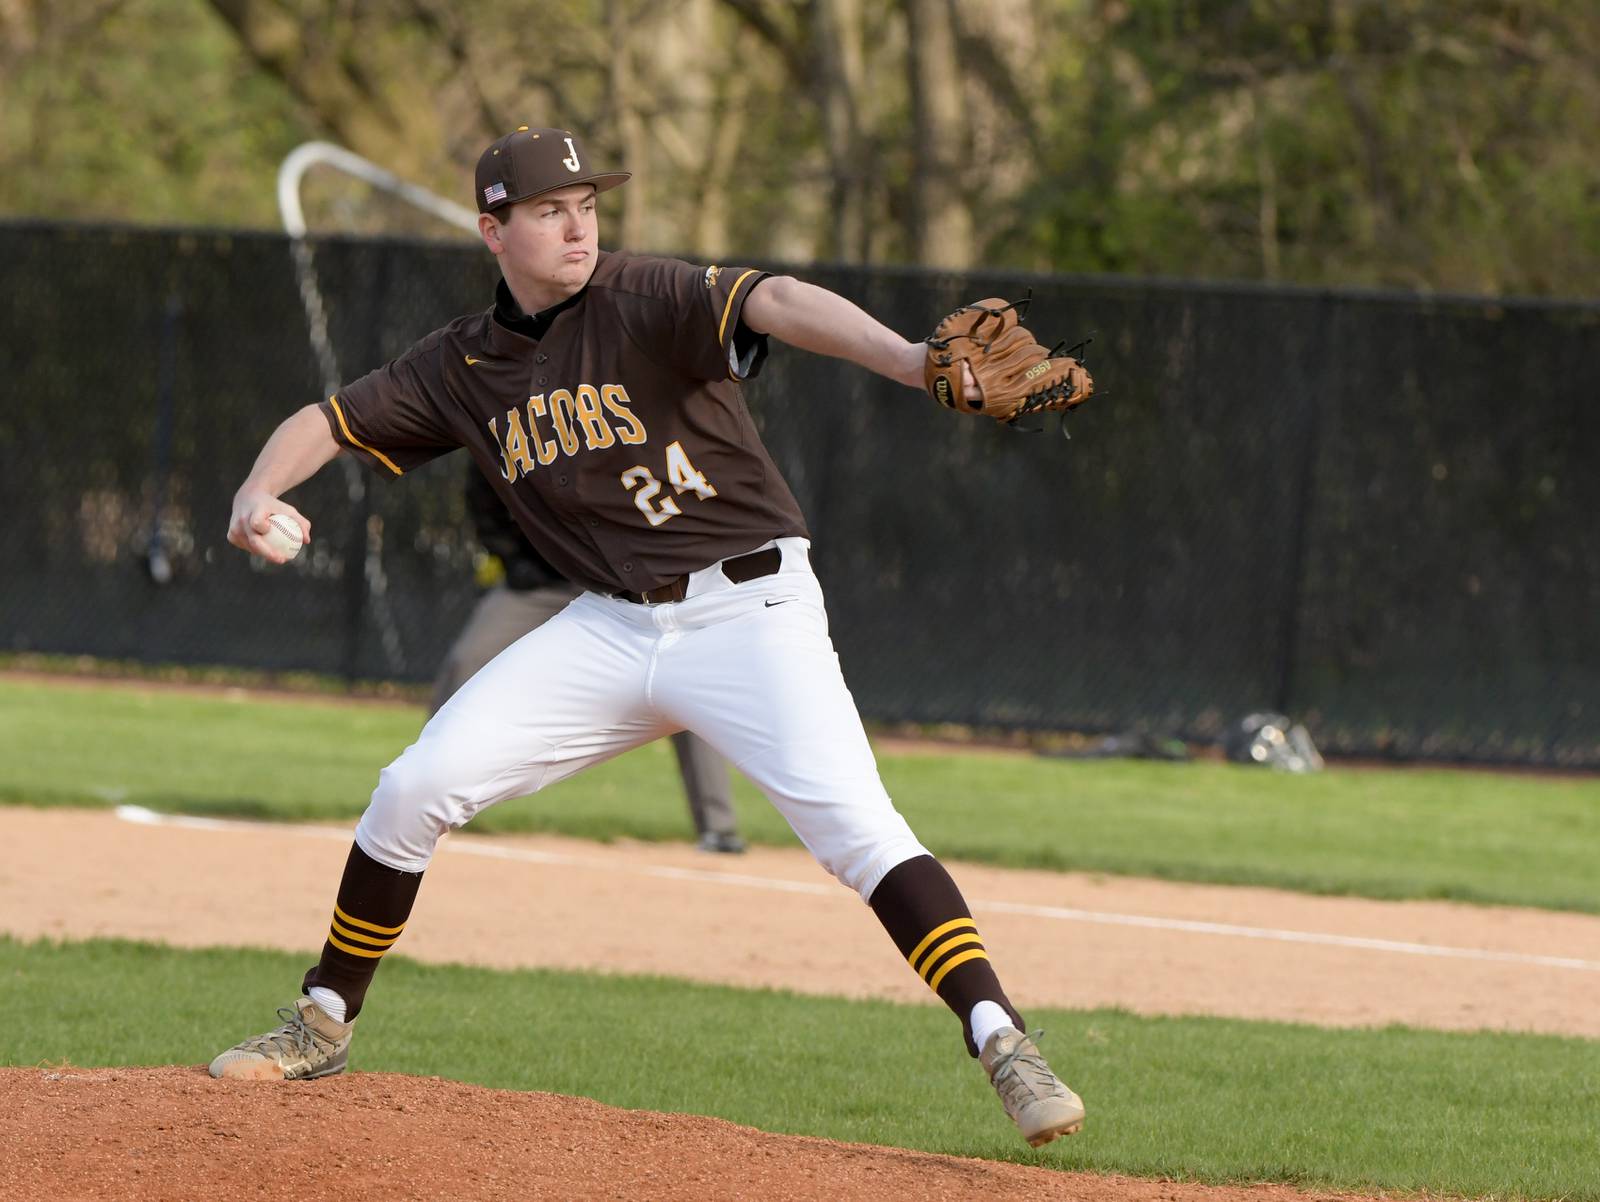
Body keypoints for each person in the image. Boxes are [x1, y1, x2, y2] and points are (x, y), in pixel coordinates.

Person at [212, 124, 1085, 1147]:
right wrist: (256, 486)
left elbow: (776, 300)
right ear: (492, 230)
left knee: (859, 830)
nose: (578, 224)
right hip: (612, 627)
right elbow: (330, 418)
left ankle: (1003, 1041)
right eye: (548, 210)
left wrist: (904, 359)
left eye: (586, 205)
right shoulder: (461, 362)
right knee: (412, 785)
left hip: (749, 608)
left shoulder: (643, 295)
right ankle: (323, 1019)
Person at [433, 468, 745, 852]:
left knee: (686, 682)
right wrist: (516, 562)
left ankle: (719, 826)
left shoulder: (609, 428)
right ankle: (430, 801)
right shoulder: (506, 426)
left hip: (620, 587)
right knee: (466, 661)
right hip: (540, 584)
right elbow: (485, 506)